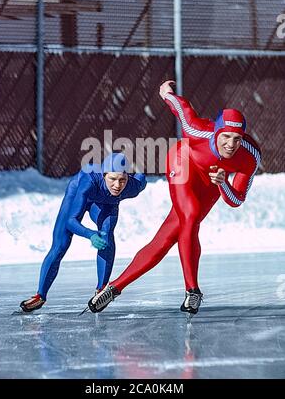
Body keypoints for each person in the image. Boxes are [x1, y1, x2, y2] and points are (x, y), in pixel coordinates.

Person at [87, 80, 261, 315]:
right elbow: (183, 109)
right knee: (189, 215)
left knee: (168, 236)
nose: (230, 145)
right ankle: (192, 290)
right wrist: (166, 93)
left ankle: (115, 287)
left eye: (237, 139)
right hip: (183, 162)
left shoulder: (250, 157)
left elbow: (237, 200)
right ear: (217, 131)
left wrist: (223, 183)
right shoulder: (198, 130)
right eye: (226, 137)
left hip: (212, 179)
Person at [20, 153, 146, 312]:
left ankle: (101, 291)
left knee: (106, 235)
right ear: (104, 174)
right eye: (112, 179)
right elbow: (71, 221)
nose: (117, 185)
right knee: (60, 245)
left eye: (122, 179)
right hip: (78, 193)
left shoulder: (133, 187)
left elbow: (141, 176)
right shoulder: (89, 181)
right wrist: (90, 234)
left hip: (105, 203)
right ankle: (40, 295)